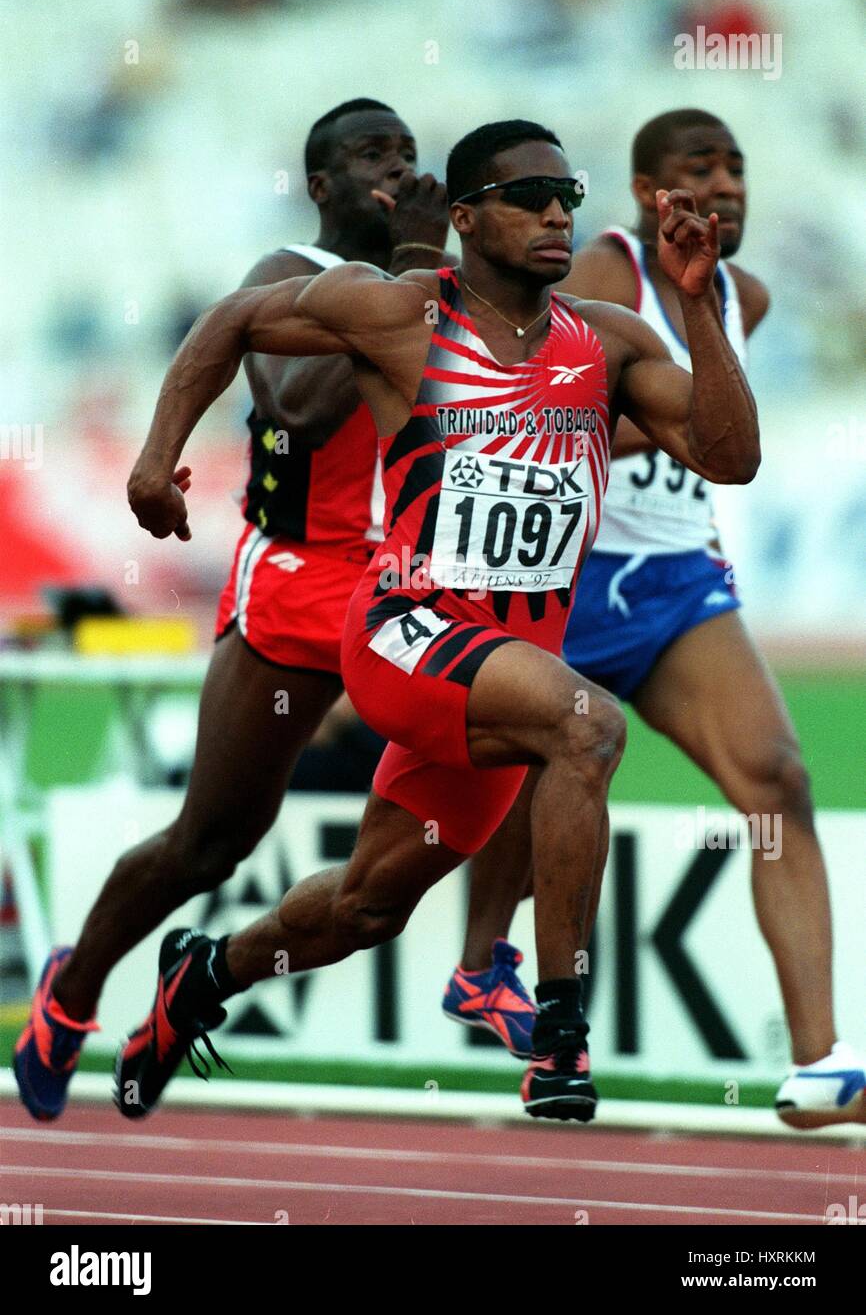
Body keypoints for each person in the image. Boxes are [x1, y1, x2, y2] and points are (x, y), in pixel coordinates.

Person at [112, 118, 759, 1123]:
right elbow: (230, 322)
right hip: (403, 631)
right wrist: (156, 463)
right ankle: (559, 1036)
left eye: (567, 195)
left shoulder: (608, 340)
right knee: (587, 727)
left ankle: (200, 979)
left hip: (505, 666)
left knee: (367, 903)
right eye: (528, 194)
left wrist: (695, 303)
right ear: (462, 217)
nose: (556, 212)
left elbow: (727, 454)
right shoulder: (398, 314)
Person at [13, 97, 453, 1122]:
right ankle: (72, 994)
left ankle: (203, 983)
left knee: (463, 813)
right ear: (321, 185)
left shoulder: (439, 283)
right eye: (368, 157)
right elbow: (296, 412)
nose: (393, 171)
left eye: (405, 155)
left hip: (414, 590)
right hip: (300, 583)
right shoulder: (284, 272)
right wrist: (401, 289)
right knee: (212, 842)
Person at [448, 108, 866, 1131]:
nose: (722, 185)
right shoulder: (597, 269)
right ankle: (480, 965)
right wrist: (677, 429)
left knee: (774, 777)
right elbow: (540, 403)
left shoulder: (743, 293)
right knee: (533, 775)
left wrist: (701, 414)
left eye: (735, 166)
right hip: (568, 569)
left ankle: (817, 1062)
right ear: (647, 193)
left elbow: (716, 425)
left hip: (677, 580)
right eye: (697, 169)